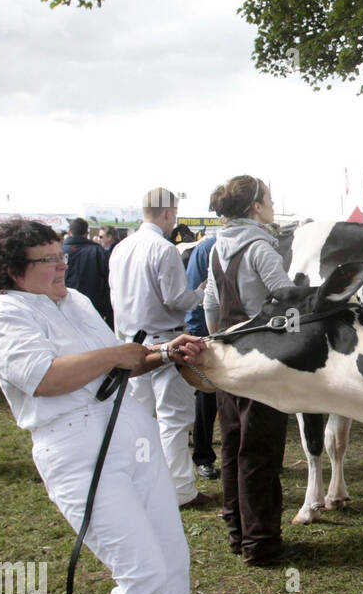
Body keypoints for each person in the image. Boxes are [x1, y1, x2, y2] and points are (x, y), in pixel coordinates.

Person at [0, 219, 224, 594]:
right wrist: (117, 354)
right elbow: (44, 377)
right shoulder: (6, 317)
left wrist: (162, 354)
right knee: (141, 571)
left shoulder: (76, 303)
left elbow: (118, 365)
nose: (61, 263)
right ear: (14, 271)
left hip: (130, 435)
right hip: (75, 449)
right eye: (48, 258)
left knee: (172, 558)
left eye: (56, 254)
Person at [203, 175, 297, 565]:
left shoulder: (216, 248)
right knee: (259, 450)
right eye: (270, 200)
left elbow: (210, 303)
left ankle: (237, 532)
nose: (274, 206)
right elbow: (287, 296)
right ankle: (260, 542)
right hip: (260, 361)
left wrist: (219, 344)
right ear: (256, 206)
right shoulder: (261, 247)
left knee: (232, 446)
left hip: (228, 357)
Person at [109, 188, 214, 510]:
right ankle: (181, 490)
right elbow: (175, 298)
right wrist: (199, 293)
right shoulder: (163, 249)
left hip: (130, 340)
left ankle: (141, 481)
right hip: (164, 341)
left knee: (139, 417)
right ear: (168, 213)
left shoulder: (120, 248)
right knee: (174, 418)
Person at [186, 228, 219, 481]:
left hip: (244, 334)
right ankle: (203, 457)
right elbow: (196, 291)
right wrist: (200, 335)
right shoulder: (206, 249)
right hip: (211, 334)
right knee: (208, 395)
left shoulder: (260, 244)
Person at [60, 217, 113, 327]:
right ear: (87, 233)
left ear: (69, 232)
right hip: (94, 310)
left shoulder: (59, 252)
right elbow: (109, 282)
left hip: (64, 308)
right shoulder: (98, 251)